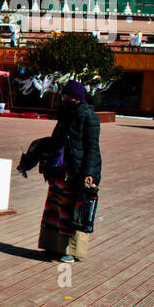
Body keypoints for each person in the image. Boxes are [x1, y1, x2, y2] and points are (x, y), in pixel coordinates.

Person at [39, 80, 102, 263]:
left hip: (77, 170)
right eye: (64, 96)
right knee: (55, 207)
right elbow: (56, 139)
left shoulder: (89, 116)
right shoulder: (64, 115)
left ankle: (69, 250)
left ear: (77, 98)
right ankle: (52, 246)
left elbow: (92, 147)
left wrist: (89, 172)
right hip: (60, 169)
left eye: (69, 97)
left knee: (70, 210)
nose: (65, 100)